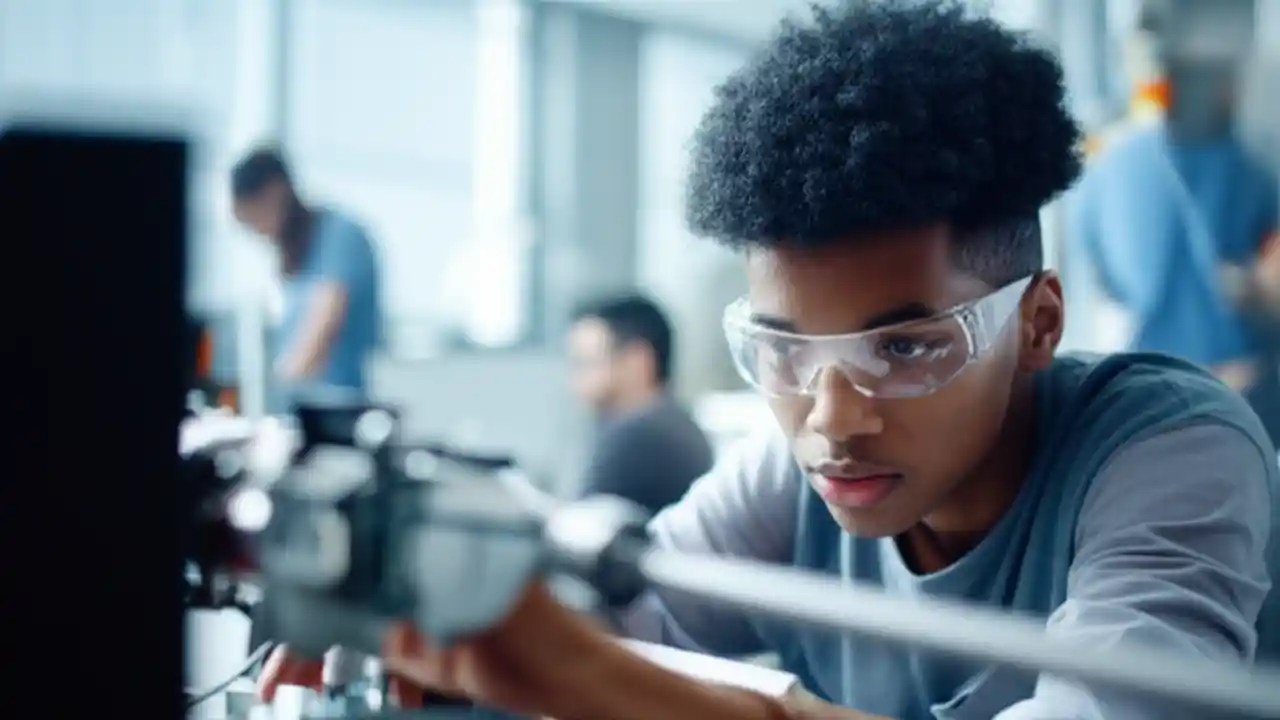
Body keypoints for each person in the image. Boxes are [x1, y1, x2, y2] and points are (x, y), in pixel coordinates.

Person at [259, 3, 1279, 718]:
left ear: (1039, 325)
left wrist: (592, 677)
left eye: (905, 346)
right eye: (784, 351)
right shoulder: (797, 481)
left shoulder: (1171, 453)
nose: (832, 418)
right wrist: (435, 614)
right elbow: (610, 616)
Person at [1071, 54, 1279, 429]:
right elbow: (1265, 279)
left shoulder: (1110, 165)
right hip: (1235, 377)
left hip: (1151, 377)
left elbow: (1103, 274)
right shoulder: (1248, 169)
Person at [231, 147, 382, 405]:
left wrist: (268, 396)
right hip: (301, 404)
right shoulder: (296, 254)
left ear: (275, 194)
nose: (259, 233)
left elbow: (321, 332)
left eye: (255, 219)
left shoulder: (340, 236)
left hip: (338, 408)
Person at [566, 295, 714, 515]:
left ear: (637, 361)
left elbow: (581, 526)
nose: (574, 380)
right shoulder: (673, 423)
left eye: (585, 363)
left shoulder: (638, 435)